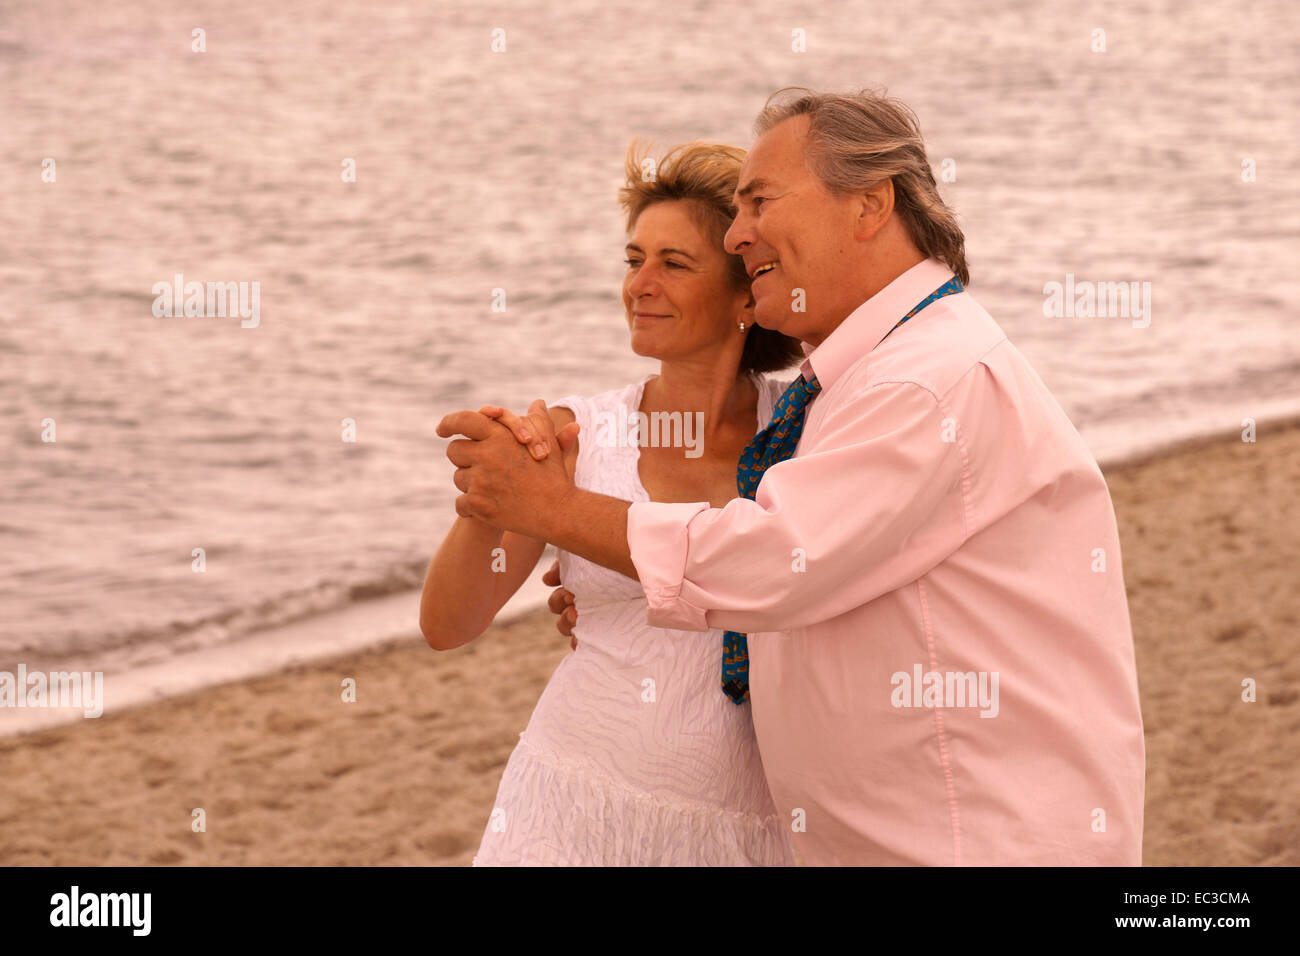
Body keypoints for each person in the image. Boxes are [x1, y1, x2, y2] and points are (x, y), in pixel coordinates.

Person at [439, 88, 1147, 866]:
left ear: (870, 205)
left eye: (759, 203)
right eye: (635, 259)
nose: (742, 234)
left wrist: (562, 515)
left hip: (964, 838)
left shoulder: (914, 384)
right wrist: (597, 590)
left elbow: (775, 559)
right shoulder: (844, 393)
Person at [423, 141, 804, 865]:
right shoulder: (573, 439)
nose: (641, 285)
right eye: (634, 261)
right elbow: (446, 624)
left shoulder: (808, 428)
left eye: (674, 263)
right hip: (570, 806)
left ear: (744, 296)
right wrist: (487, 500)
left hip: (746, 830)